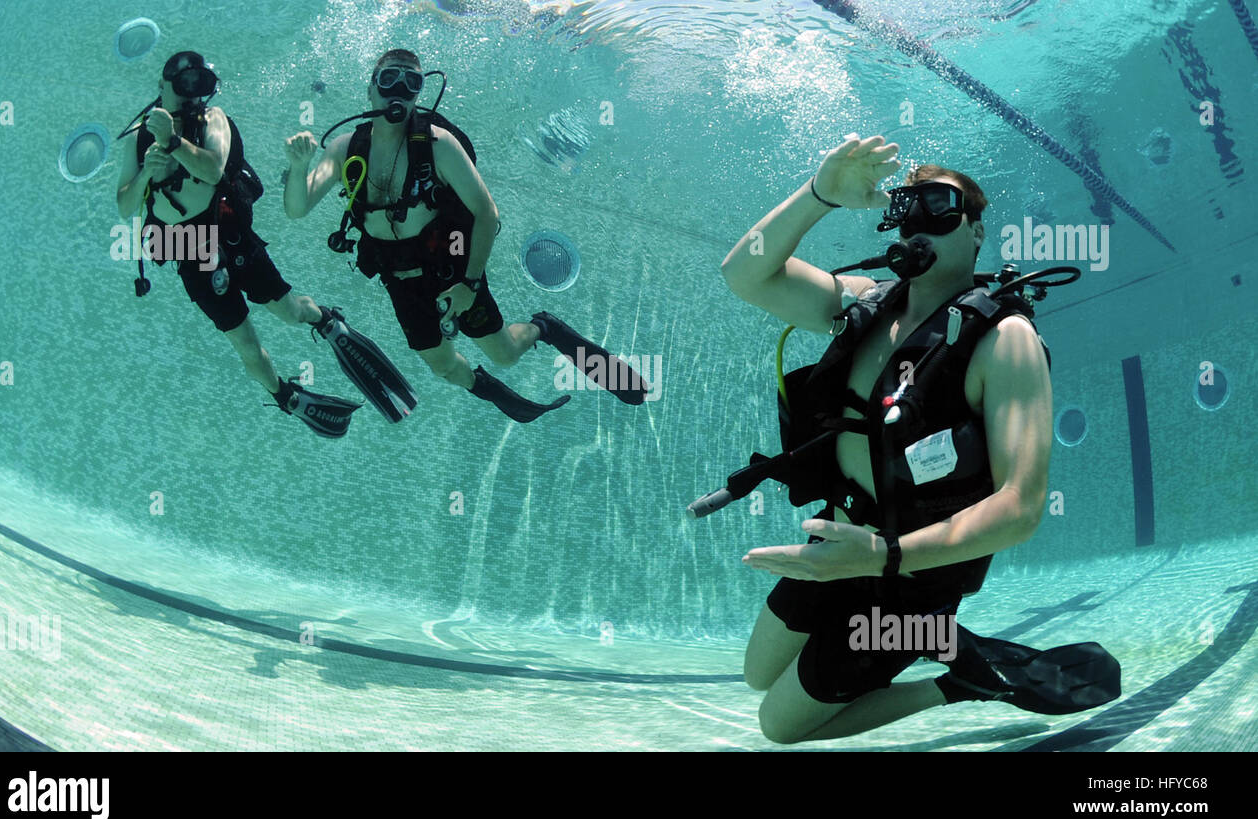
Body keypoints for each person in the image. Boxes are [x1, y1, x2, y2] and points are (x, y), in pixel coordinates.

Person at [720, 134, 1118, 744]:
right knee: (755, 675)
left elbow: (1021, 508)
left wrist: (884, 555)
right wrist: (819, 195)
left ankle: (959, 680)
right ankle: (944, 649)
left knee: (779, 725)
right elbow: (744, 272)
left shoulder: (1002, 339)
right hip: (840, 542)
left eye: (940, 207)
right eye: (905, 210)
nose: (919, 225)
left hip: (911, 577)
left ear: (978, 232)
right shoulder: (866, 304)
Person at [282, 49, 650, 422]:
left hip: (451, 272)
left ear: (419, 94)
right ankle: (490, 390)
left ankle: (544, 328)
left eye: (411, 84)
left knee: (504, 353)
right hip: (399, 280)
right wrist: (298, 168)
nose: (399, 90)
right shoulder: (346, 148)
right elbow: (297, 208)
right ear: (370, 90)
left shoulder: (438, 145)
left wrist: (469, 284)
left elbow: (487, 214)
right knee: (442, 366)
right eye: (389, 79)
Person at [116, 51, 415, 438]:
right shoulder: (139, 136)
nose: (191, 97)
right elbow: (125, 205)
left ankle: (324, 320)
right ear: (162, 85)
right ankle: (285, 395)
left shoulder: (213, 119)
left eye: (199, 87)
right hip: (188, 248)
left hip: (230, 236)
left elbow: (212, 169)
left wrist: (172, 142)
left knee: (288, 311)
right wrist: (145, 178)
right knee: (244, 343)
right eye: (182, 86)